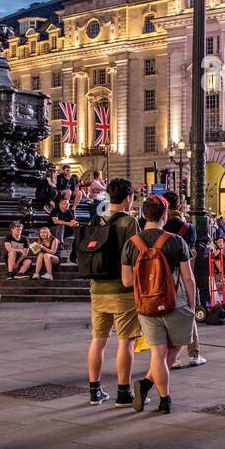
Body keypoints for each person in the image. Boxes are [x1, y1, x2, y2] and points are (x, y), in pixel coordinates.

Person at [121, 195, 196, 415]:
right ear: (165, 216)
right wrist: (192, 304)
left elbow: (126, 281)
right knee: (178, 346)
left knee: (158, 353)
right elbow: (188, 277)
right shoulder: (176, 241)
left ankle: (164, 400)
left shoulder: (131, 244)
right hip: (175, 302)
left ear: (143, 215)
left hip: (146, 305)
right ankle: (146, 384)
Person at [84, 178, 143, 407]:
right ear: (128, 197)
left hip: (97, 288)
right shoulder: (130, 222)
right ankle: (123, 392)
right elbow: (135, 256)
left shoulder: (96, 219)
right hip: (122, 289)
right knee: (125, 342)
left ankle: (94, 391)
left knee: (98, 341)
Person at [161, 191, 204, 369]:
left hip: (161, 275)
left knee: (166, 314)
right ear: (179, 206)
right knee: (188, 311)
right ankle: (194, 353)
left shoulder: (159, 227)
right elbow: (191, 248)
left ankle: (173, 357)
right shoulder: (188, 228)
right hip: (181, 273)